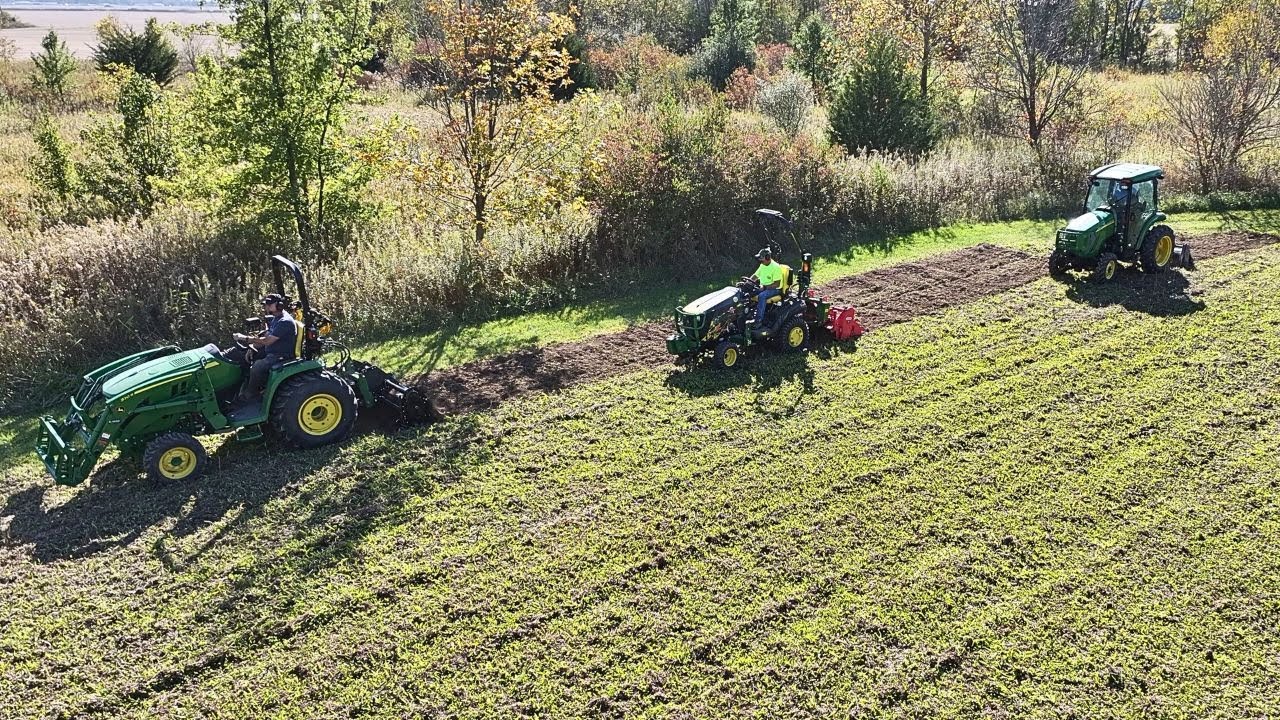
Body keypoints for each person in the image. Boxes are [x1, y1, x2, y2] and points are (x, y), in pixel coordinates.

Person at [233, 293, 297, 406]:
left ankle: (250, 394)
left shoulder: (285, 322)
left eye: (269, 305)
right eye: (265, 305)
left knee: (258, 367)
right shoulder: (276, 318)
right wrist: (253, 347)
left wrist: (245, 338)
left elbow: (268, 341)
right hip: (272, 351)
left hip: (281, 355)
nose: (266, 307)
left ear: (279, 305)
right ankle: (241, 388)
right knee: (241, 356)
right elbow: (266, 336)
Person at [751, 247, 783, 324]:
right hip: (764, 287)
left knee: (762, 296)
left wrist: (765, 287)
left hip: (775, 289)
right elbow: (755, 276)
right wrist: (748, 283)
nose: (760, 260)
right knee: (749, 292)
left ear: (768, 257)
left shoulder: (775, 267)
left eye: (761, 258)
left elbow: (777, 284)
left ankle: (758, 321)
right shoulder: (763, 265)